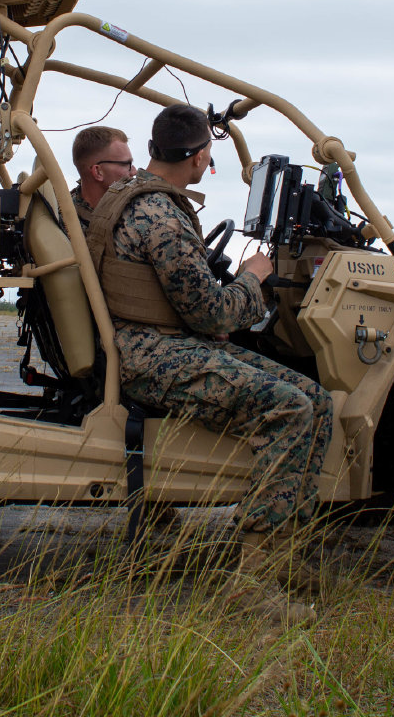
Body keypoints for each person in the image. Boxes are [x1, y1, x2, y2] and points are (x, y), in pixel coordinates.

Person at [86, 104, 334, 621]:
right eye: (208, 156)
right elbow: (214, 312)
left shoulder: (126, 195)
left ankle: (287, 550)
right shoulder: (162, 216)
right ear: (198, 157)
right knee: (289, 408)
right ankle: (252, 576)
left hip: (150, 341)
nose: (207, 163)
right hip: (150, 353)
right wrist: (256, 276)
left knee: (318, 400)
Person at [69, 125, 135, 229]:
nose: (134, 171)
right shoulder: (65, 223)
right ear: (98, 172)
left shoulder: (139, 209)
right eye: (126, 164)